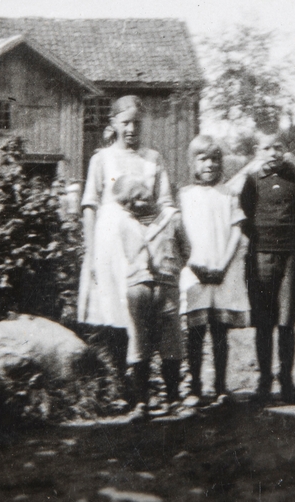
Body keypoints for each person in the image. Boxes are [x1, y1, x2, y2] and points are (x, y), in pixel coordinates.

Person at [78, 95, 175, 382]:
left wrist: (160, 240)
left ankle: (143, 383)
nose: (131, 129)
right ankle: (121, 384)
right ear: (113, 123)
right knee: (114, 313)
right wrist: (91, 252)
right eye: (125, 123)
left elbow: (166, 202)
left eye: (137, 123)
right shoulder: (101, 159)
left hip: (144, 246)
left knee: (143, 312)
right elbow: (89, 207)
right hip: (109, 246)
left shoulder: (153, 158)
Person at [238, 130, 295, 403]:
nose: (272, 153)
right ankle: (263, 383)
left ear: (285, 149)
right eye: (267, 148)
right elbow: (244, 215)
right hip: (260, 257)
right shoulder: (252, 181)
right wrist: (262, 243)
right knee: (263, 323)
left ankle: (287, 381)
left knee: (286, 322)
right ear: (257, 151)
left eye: (278, 147)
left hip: (290, 257)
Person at [178, 135, 249, 407]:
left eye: (215, 159)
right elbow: (181, 234)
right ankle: (194, 387)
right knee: (195, 333)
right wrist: (192, 264)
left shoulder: (229, 194)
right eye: (203, 158)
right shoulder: (185, 196)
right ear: (192, 162)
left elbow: (236, 231)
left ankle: (220, 387)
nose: (209, 164)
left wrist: (223, 264)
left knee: (220, 331)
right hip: (195, 271)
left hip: (222, 271)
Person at [114, 174, 189, 421]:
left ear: (147, 190)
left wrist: (171, 269)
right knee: (139, 342)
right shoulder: (126, 224)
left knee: (171, 340)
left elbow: (186, 250)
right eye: (126, 203)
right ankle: (141, 402)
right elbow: (128, 254)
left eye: (137, 197)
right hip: (138, 288)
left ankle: (173, 398)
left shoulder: (172, 218)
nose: (134, 205)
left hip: (167, 285)